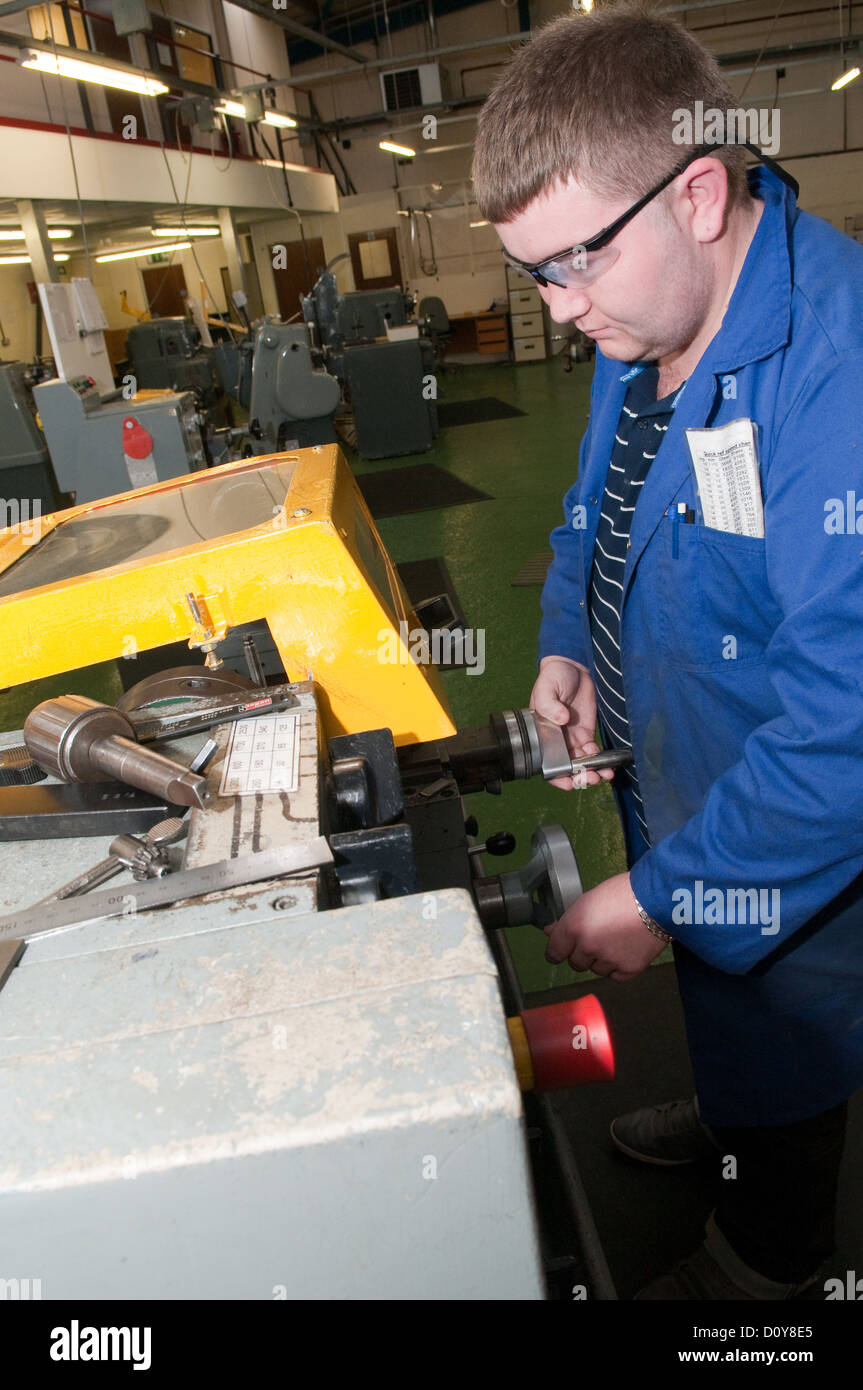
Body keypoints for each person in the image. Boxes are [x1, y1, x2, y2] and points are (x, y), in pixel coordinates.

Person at [471, 3, 863, 1300]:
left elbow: (844, 742)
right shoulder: (636, 321)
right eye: (533, 274)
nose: (559, 309)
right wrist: (564, 649)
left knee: (789, 1033)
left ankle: (761, 1269)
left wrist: (657, 897)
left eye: (571, 265)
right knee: (723, 1006)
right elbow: (594, 509)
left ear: (698, 193)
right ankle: (732, 1113)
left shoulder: (839, 381)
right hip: (680, 778)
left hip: (794, 837)